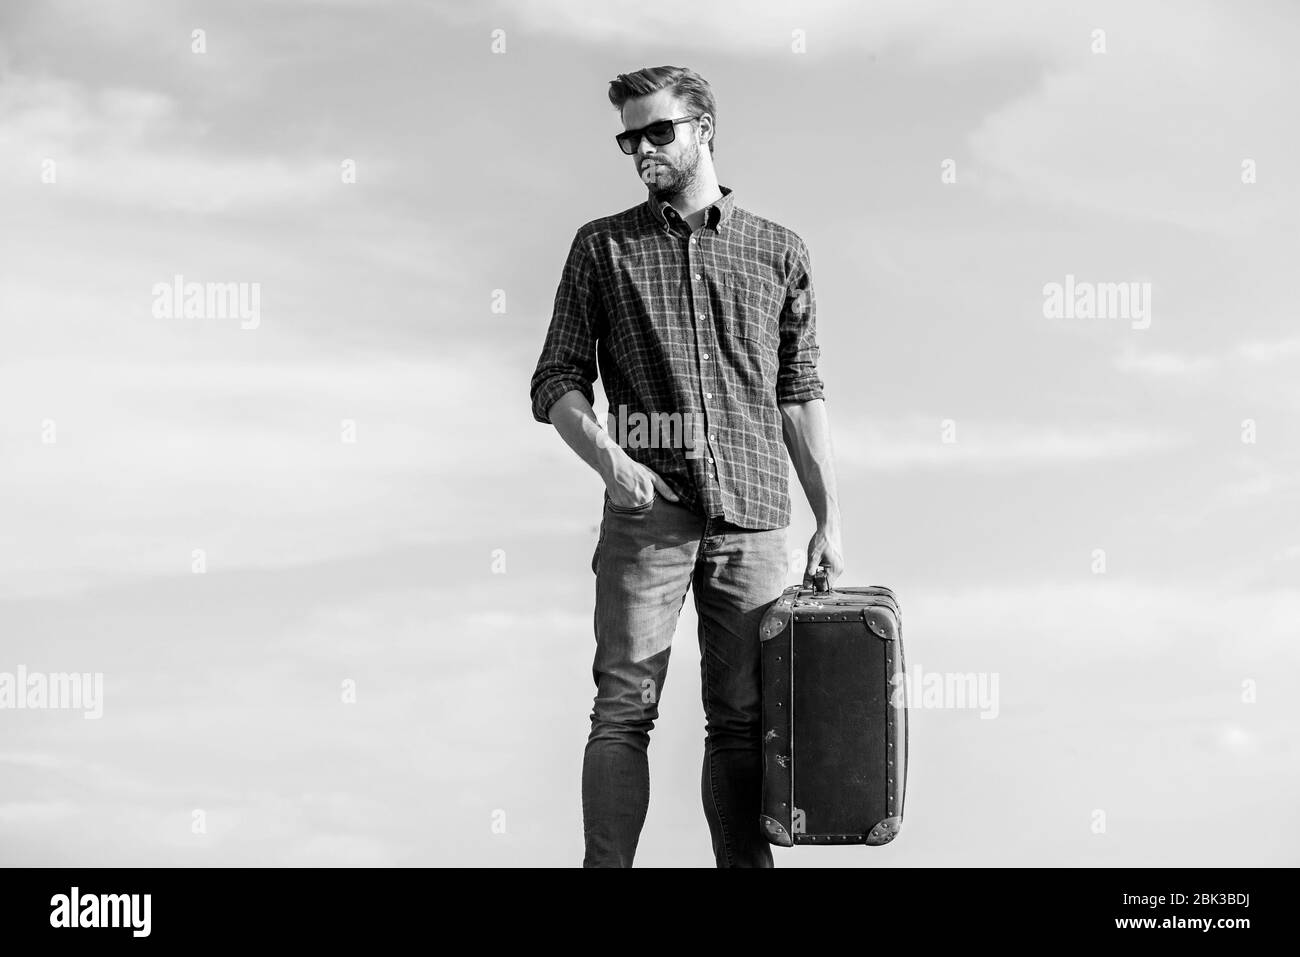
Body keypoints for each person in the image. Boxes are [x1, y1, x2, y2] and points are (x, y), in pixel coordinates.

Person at [528, 65, 844, 867]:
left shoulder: (780, 250)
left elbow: (800, 397)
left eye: (656, 131)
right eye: (628, 138)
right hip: (649, 517)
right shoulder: (601, 247)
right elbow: (557, 379)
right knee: (623, 708)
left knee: (742, 718)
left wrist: (830, 521)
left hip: (757, 519)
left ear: (704, 127)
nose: (640, 150)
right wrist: (608, 460)